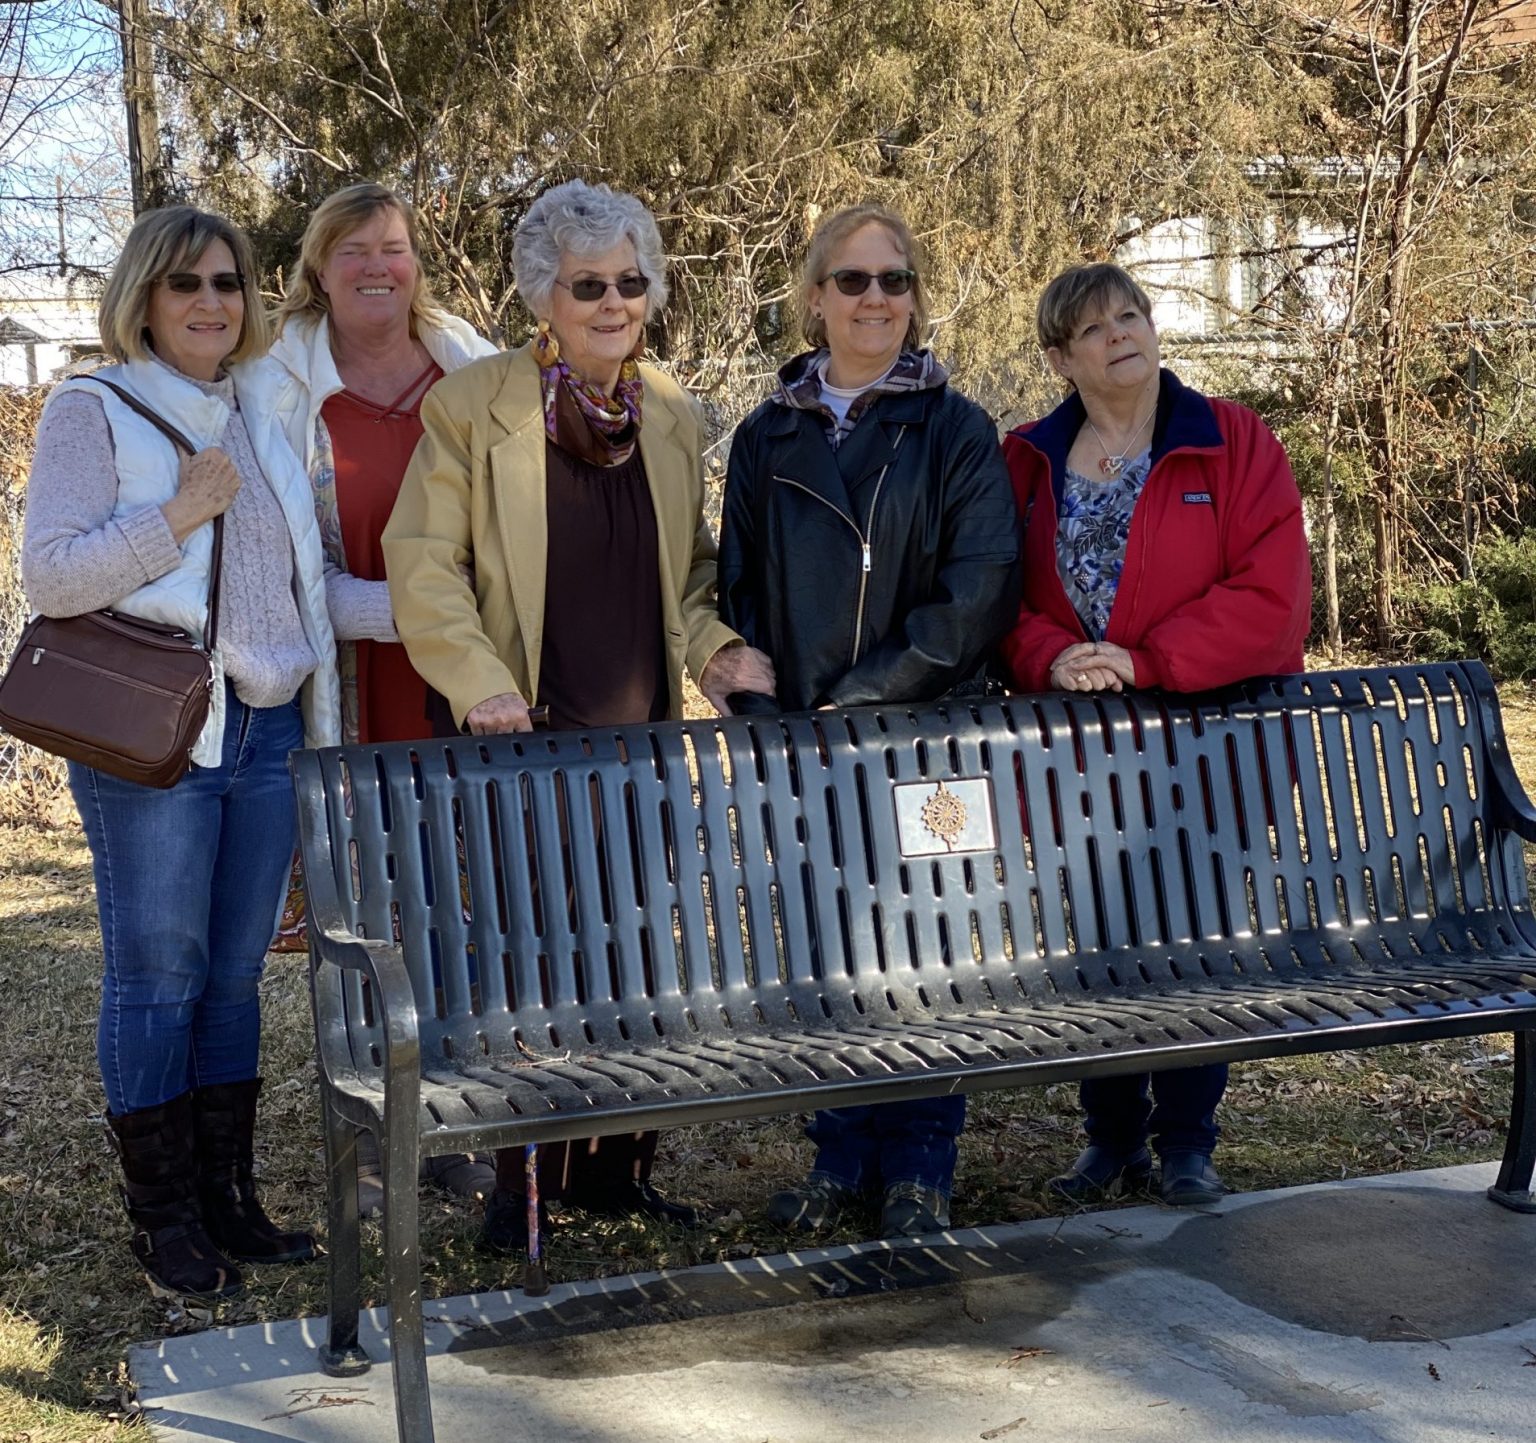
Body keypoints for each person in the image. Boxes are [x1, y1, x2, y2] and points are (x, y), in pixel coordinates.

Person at [381, 178, 775, 1254]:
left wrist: (719, 652)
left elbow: (687, 579)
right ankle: (524, 1192)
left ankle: (614, 1172)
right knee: (533, 963)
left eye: (631, 281)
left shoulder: (673, 412)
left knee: (638, 954)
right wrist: (478, 682)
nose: (614, 302)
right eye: (588, 284)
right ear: (542, 296)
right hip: (523, 734)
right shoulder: (474, 408)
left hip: (641, 734)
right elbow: (421, 563)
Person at [20, 206, 339, 1299]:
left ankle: (228, 1201)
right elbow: (53, 579)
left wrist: (452, 609)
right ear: (143, 301)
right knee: (159, 975)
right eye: (186, 284)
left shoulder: (257, 410)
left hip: (265, 726)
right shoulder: (91, 407)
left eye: (229, 282)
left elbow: (293, 583)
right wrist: (182, 511)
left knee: (237, 979)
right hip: (156, 732)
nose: (213, 301)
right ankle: (162, 1221)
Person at [717, 202, 1022, 1238]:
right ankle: (841, 1154)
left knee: (933, 948)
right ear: (815, 297)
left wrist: (868, 694)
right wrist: (761, 705)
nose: (876, 299)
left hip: (930, 731)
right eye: (853, 281)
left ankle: (920, 1167)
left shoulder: (955, 428)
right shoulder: (768, 436)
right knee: (827, 943)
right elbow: (744, 591)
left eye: (894, 281)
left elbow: (981, 591)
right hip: (804, 737)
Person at [999, 261, 1311, 1207]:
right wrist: (1053, 653)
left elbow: (1273, 598)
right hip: (1080, 751)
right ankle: (1109, 1140)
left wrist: (1146, 660)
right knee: (1098, 946)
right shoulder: (1024, 460)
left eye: (1132, 315)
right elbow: (997, 599)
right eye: (1095, 328)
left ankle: (1186, 1143)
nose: (1121, 334)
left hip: (1212, 742)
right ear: (1062, 358)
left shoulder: (1234, 440)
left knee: (1194, 941)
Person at [261, 181, 500, 1210]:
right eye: (350, 248)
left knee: (462, 903)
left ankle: (452, 1122)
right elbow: (274, 559)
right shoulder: (278, 387)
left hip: (465, 693)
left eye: (393, 247)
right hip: (347, 686)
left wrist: (462, 628)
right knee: (365, 915)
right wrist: (408, 612)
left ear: (416, 262)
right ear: (318, 267)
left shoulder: (476, 372)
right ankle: (367, 1146)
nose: (375, 266)